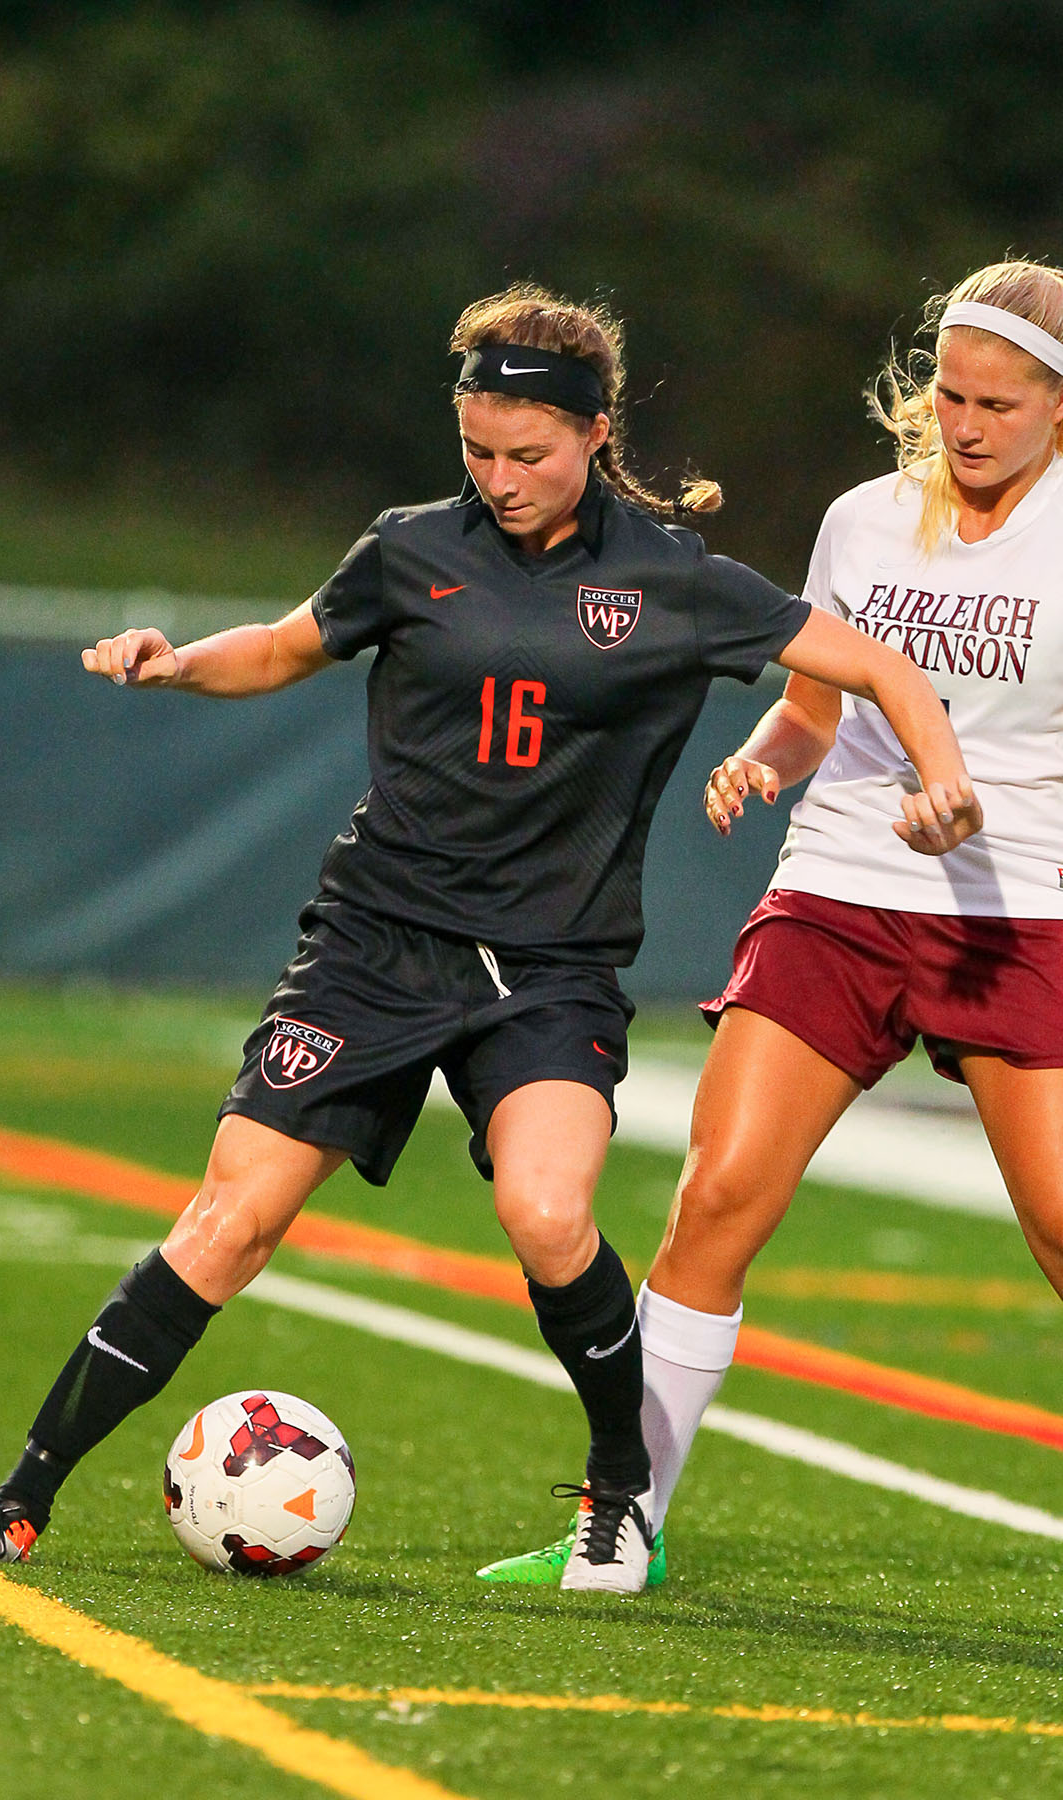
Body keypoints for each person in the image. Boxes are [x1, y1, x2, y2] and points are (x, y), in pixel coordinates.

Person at [0, 283, 976, 1597]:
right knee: (227, 1220)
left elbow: (883, 668)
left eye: (528, 453)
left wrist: (939, 777)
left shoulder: (670, 579)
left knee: (545, 1213)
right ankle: (17, 1504)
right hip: (376, 943)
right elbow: (288, 647)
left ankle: (618, 1501)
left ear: (594, 433)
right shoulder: (412, 548)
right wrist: (178, 660)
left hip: (548, 970)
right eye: (479, 449)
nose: (501, 476)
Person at [479, 255, 1063, 1589]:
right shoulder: (867, 520)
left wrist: (971, 812)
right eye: (953, 398)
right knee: (720, 1195)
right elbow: (817, 705)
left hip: (1023, 910)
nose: (967, 426)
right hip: (842, 894)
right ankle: (621, 1525)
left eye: (1000, 406)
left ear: (1059, 409)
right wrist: (764, 760)